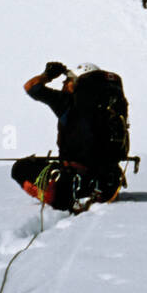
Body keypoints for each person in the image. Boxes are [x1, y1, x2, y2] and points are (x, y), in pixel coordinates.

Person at [11, 60, 131, 209]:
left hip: (72, 184)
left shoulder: (67, 103)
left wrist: (47, 75)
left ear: (77, 81)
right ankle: (94, 190)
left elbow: (32, 87)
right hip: (108, 182)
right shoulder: (112, 106)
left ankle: (57, 199)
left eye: (67, 80)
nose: (64, 84)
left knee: (20, 168)